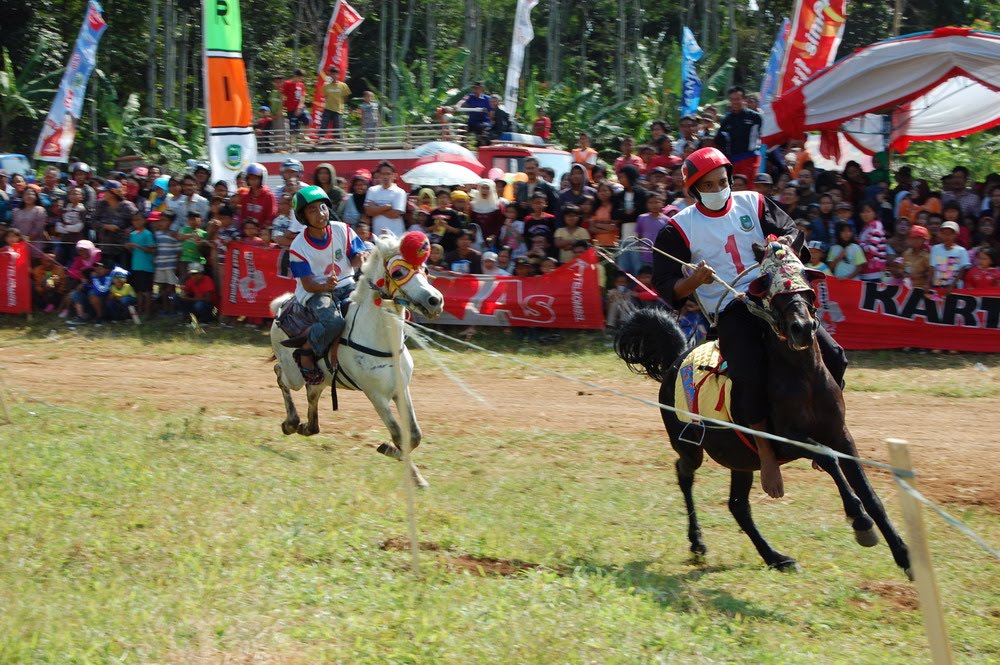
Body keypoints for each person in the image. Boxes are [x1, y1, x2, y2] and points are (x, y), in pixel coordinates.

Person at [651, 147, 847, 499]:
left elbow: (791, 232)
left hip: (775, 296)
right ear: (693, 190)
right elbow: (668, 287)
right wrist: (694, 281)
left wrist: (782, 245)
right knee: (748, 373)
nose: (718, 188)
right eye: (708, 185)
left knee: (834, 355)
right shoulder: (678, 229)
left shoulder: (754, 203)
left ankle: (828, 428)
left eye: (722, 181)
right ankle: (767, 456)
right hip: (731, 308)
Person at [282, 185, 367, 383]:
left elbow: (355, 258)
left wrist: (361, 258)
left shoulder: (343, 229)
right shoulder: (297, 246)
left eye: (323, 207)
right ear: (303, 216)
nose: (321, 214)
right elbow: (308, 284)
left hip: (348, 284)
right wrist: (324, 286)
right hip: (315, 293)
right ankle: (305, 352)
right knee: (334, 322)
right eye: (312, 210)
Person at [717, 86, 763, 182]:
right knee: (733, 187)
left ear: (744, 99)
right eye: (732, 99)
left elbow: (764, 137)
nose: (735, 102)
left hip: (750, 158)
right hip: (732, 160)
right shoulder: (726, 119)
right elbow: (719, 139)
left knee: (748, 187)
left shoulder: (755, 117)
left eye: (737, 99)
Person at [364, 161, 407, 237]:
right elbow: (368, 211)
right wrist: (386, 207)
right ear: (379, 175)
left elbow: (395, 214)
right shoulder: (372, 190)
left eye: (388, 174)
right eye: (383, 174)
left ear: (394, 175)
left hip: (396, 236)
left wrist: (376, 208)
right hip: (378, 236)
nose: (385, 177)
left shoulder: (400, 192)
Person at [127, 211, 157, 316]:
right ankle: (140, 310)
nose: (136, 222)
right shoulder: (132, 234)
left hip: (146, 267)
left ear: (144, 221)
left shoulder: (147, 234)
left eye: (138, 219)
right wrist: (129, 248)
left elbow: (152, 250)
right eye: (134, 220)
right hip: (136, 266)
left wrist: (137, 246)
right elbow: (133, 252)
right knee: (138, 290)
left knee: (147, 291)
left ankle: (148, 312)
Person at [930, 221, 971, 291]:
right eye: (944, 234)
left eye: (950, 234)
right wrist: (928, 283)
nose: (947, 236)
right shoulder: (935, 248)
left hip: (955, 287)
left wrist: (952, 285)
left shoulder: (961, 250)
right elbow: (932, 267)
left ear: (956, 235)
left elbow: (962, 270)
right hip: (937, 286)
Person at [857, 201, 888, 281]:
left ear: (875, 213)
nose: (865, 214)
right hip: (865, 271)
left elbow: (872, 249)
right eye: (863, 212)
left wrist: (860, 244)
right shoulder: (866, 227)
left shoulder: (876, 226)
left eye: (868, 211)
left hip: (874, 272)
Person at [320, 65, 351, 141]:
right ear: (330, 75)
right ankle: (321, 139)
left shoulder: (343, 85)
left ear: (338, 75)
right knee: (324, 124)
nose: (334, 75)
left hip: (338, 110)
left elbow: (346, 97)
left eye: (335, 74)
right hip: (328, 108)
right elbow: (325, 96)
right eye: (332, 74)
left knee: (338, 126)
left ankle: (337, 141)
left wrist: (340, 104)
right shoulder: (326, 86)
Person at [902, 224, 931, 289]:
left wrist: (921, 275)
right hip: (907, 287)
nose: (916, 241)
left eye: (919, 238)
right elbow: (904, 270)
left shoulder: (927, 256)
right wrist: (905, 275)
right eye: (913, 238)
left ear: (924, 240)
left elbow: (930, 273)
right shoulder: (906, 254)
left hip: (921, 288)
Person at [281, 68, 308, 133]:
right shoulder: (287, 83)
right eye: (300, 78)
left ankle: (304, 136)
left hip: (299, 108)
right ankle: (293, 138)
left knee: (308, 120)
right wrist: (282, 109)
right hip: (290, 109)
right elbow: (283, 97)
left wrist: (299, 107)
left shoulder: (301, 85)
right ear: (295, 76)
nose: (302, 79)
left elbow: (303, 96)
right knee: (293, 128)